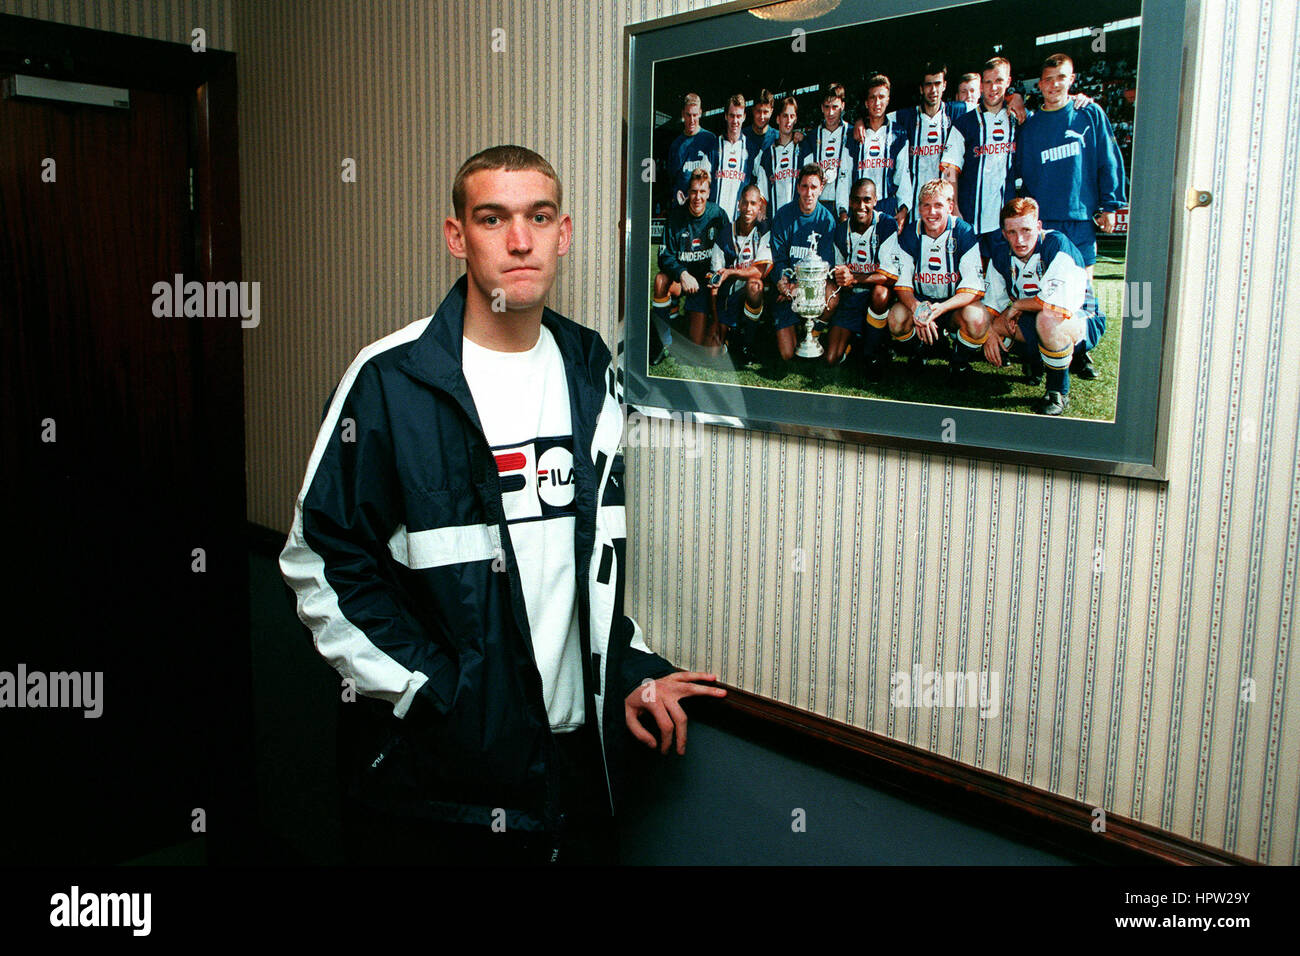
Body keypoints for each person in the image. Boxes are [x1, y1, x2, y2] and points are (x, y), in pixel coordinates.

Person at [279, 145, 725, 865]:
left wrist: (633, 673)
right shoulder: (392, 381)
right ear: (458, 236)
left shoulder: (591, 371)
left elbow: (581, 563)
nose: (520, 240)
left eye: (538, 216)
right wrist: (436, 696)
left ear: (564, 233)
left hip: (579, 767)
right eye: (493, 218)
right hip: (442, 779)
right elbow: (318, 560)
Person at [1015, 53, 1125, 379]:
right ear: (1040, 83)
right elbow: (1020, 175)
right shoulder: (1031, 125)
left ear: (1072, 79)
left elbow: (1108, 157)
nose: (1054, 85)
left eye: (1061, 77)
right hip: (1044, 222)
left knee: (1082, 291)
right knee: (1041, 288)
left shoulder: (1088, 113)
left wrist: (1110, 204)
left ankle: (1080, 352)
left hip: (1079, 218)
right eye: (1048, 79)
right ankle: (1035, 353)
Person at [983, 197, 1105, 415]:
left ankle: (1058, 391)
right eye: (1012, 232)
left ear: (1038, 226)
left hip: (1080, 317)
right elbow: (992, 305)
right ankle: (1035, 359)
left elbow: (1051, 303)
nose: (1019, 239)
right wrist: (991, 330)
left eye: (1026, 230)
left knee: (1047, 318)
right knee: (995, 325)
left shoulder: (1056, 244)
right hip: (1033, 316)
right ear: (1004, 233)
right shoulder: (1001, 255)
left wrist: (1018, 304)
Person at [875, 179, 985, 377]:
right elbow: (903, 285)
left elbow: (973, 287)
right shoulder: (910, 233)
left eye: (938, 205)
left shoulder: (964, 232)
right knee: (896, 319)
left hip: (952, 307)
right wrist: (919, 309)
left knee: (977, 319)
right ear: (919, 208)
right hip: (921, 301)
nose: (931, 212)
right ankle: (919, 350)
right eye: (926, 205)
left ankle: (959, 359)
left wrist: (941, 308)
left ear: (950, 207)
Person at [940, 57, 1025, 260]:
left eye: (998, 81)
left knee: (1007, 283)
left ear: (1008, 81)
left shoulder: (1019, 118)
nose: (993, 87)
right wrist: (955, 210)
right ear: (981, 85)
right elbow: (950, 169)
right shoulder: (964, 124)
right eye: (987, 82)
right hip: (970, 218)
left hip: (1006, 221)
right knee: (971, 280)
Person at [654, 168, 735, 349]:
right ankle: (663, 341)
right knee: (660, 280)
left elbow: (729, 252)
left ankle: (694, 315)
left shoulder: (718, 215)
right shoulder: (676, 217)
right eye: (694, 192)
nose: (698, 197)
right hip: (684, 280)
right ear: (688, 193)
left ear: (708, 193)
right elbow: (664, 256)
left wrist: (717, 281)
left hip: (706, 283)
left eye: (702, 192)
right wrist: (682, 273)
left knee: (697, 341)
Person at [770, 163, 838, 361]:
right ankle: (786, 324)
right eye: (805, 186)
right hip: (787, 288)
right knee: (787, 353)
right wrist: (783, 282)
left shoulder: (827, 220)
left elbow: (826, 264)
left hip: (810, 286)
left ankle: (813, 331)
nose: (809, 193)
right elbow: (778, 256)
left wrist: (798, 285)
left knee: (832, 297)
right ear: (798, 187)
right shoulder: (783, 215)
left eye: (814, 187)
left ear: (821, 189)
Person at [828, 178, 897, 374]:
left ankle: (872, 353)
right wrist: (841, 276)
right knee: (832, 358)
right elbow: (838, 271)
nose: (861, 206)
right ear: (850, 201)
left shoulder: (887, 225)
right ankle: (857, 340)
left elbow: (890, 276)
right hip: (851, 297)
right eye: (856, 200)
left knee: (880, 294)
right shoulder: (841, 230)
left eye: (867, 200)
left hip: (876, 296)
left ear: (875, 200)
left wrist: (854, 278)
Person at [709, 183, 772, 364]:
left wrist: (730, 272)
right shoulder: (725, 233)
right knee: (714, 354)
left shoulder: (764, 231)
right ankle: (730, 331)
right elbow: (715, 279)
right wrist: (715, 319)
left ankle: (748, 342)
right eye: (745, 203)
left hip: (751, 291)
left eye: (753, 204)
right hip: (728, 296)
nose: (748, 208)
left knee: (755, 285)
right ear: (738, 204)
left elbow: (759, 271)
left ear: (760, 206)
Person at [845, 74, 911, 225]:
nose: (877, 102)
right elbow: (846, 176)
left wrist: (904, 209)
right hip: (860, 207)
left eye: (881, 97)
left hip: (887, 205)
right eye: (873, 98)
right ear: (866, 103)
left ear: (888, 99)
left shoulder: (898, 134)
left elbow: (903, 175)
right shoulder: (854, 135)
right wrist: (843, 211)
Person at [798, 82, 852, 222]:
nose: (831, 112)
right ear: (822, 108)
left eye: (835, 107)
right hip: (819, 205)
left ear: (843, 106)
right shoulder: (812, 137)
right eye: (827, 107)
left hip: (845, 207)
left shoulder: (852, 134)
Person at [754, 95, 802, 219]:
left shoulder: (803, 149)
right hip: (776, 220)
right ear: (777, 119)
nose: (789, 120)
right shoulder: (767, 155)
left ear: (796, 119)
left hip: (799, 219)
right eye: (785, 116)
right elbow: (762, 191)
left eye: (792, 116)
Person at [714, 93, 756, 221]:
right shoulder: (714, 147)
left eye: (738, 116)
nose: (735, 121)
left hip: (740, 221)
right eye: (732, 116)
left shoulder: (751, 148)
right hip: (715, 220)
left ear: (744, 117)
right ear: (726, 116)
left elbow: (761, 183)